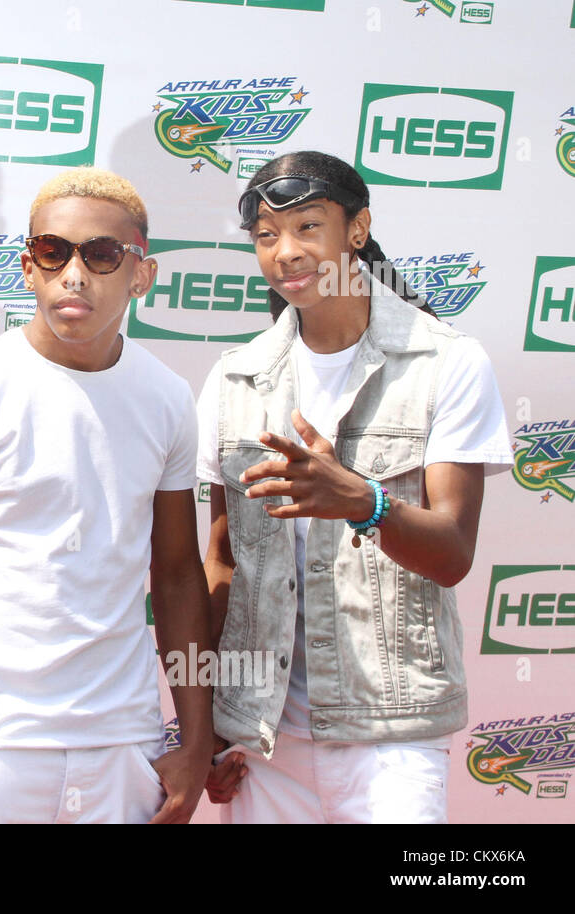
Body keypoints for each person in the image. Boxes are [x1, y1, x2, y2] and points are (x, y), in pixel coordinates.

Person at [198, 150, 511, 823]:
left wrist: (364, 501)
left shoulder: (446, 363)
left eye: (308, 227)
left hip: (390, 738)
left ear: (358, 230)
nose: (286, 251)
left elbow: (453, 553)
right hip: (263, 740)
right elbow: (224, 563)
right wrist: (205, 726)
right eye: (266, 235)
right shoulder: (235, 379)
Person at [0, 167, 215, 824]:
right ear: (28, 267)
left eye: (101, 254)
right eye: (53, 251)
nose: (75, 273)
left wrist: (196, 738)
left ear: (140, 274)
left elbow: (180, 576)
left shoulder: (167, 398)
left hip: (122, 743)